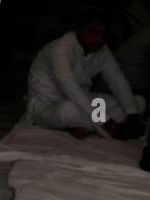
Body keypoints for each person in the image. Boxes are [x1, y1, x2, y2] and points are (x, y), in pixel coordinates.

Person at [26, 9, 144, 140]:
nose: (99, 39)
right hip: (49, 107)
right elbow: (74, 93)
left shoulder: (101, 49)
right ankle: (109, 130)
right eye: (93, 32)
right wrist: (109, 123)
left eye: (103, 35)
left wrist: (132, 115)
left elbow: (118, 82)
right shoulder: (60, 50)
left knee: (137, 103)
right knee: (69, 110)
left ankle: (89, 127)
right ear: (79, 29)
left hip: (84, 102)